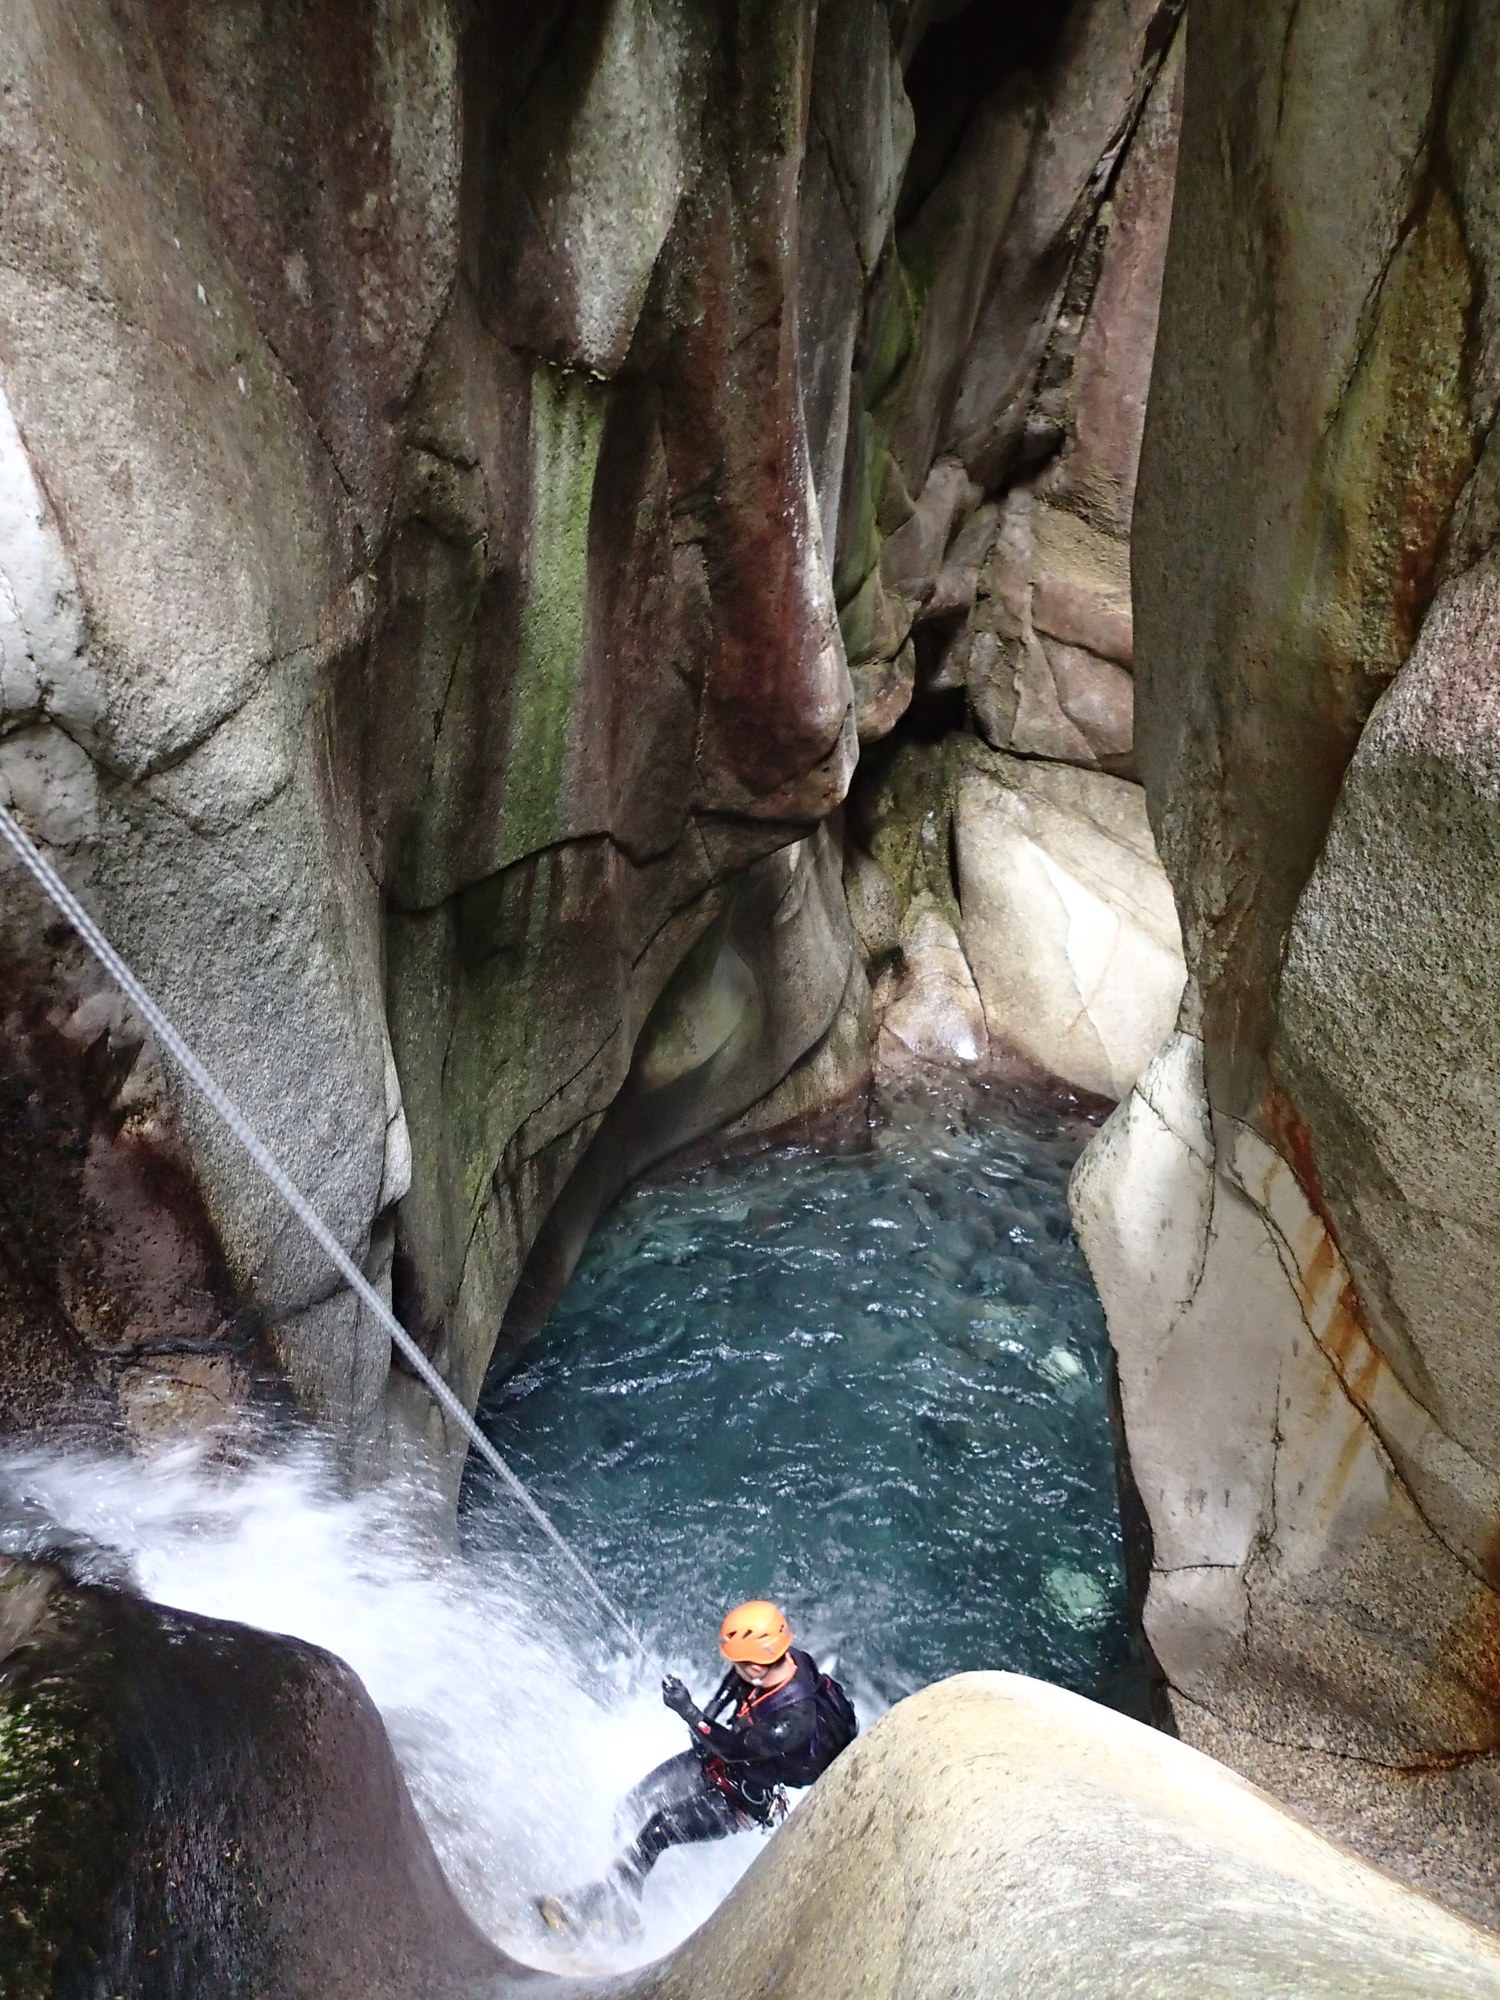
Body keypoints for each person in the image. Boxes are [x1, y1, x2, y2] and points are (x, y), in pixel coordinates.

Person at [538, 1599, 851, 1937]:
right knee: (631, 1809)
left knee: (659, 1830)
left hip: (739, 1803)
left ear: (758, 1666)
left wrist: (690, 1713)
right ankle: (620, 1890)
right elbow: (737, 1683)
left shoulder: (791, 1723)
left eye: (738, 1662)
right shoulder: (790, 1659)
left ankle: (614, 1910)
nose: (733, 1667)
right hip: (713, 1763)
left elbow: (734, 1749)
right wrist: (711, 1710)